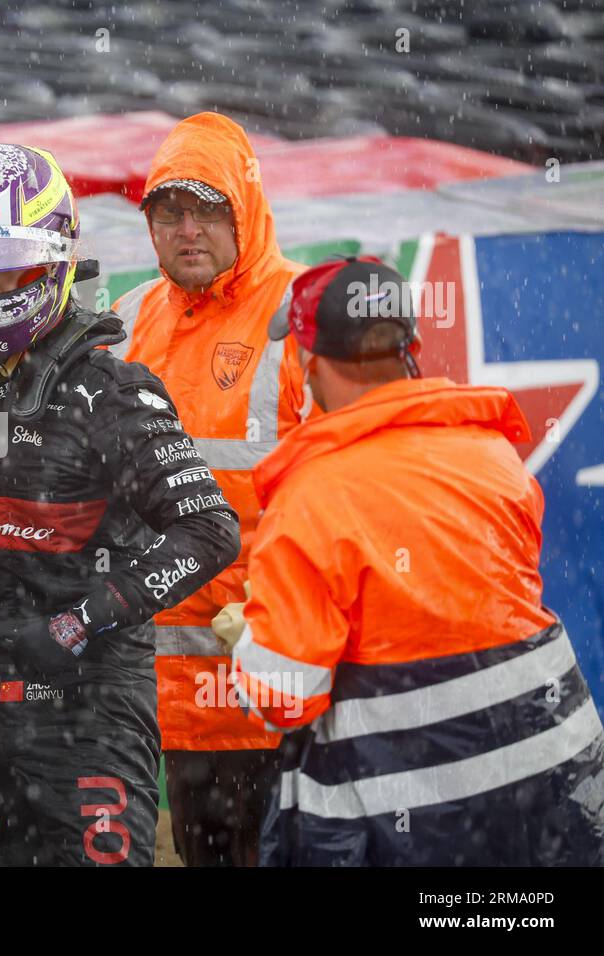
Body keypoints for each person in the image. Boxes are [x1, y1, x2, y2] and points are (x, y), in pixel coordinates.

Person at [0, 143, 241, 866]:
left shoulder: (110, 389)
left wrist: (82, 621)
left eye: (6, 268)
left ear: (54, 258)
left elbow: (211, 531)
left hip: (95, 714)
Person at [227, 256, 604, 866]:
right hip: (556, 800)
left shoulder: (310, 501)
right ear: (414, 346)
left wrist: (248, 640)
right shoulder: (492, 455)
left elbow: (285, 694)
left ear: (310, 362)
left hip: (410, 827)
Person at [111, 111, 306, 866]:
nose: (187, 230)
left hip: (272, 677)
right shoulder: (127, 319)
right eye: (170, 213)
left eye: (207, 210)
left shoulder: (297, 316)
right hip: (168, 691)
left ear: (246, 210)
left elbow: (335, 491)